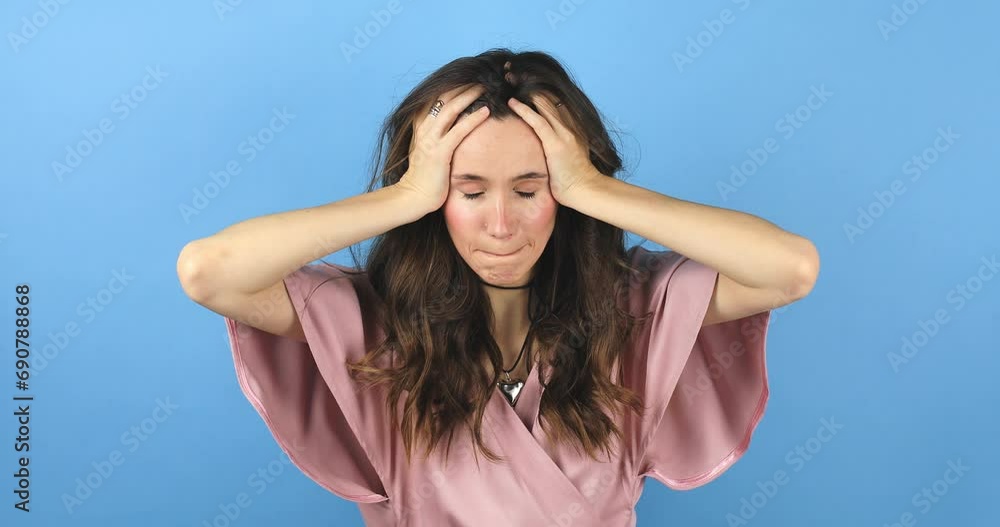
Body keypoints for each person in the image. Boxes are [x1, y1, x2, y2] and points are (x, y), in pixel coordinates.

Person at [176, 48, 819, 526]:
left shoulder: (636, 307)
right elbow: (208, 272)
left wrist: (596, 189)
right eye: (471, 191)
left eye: (531, 189)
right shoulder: (369, 324)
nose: (502, 224)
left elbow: (789, 268)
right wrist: (404, 195)